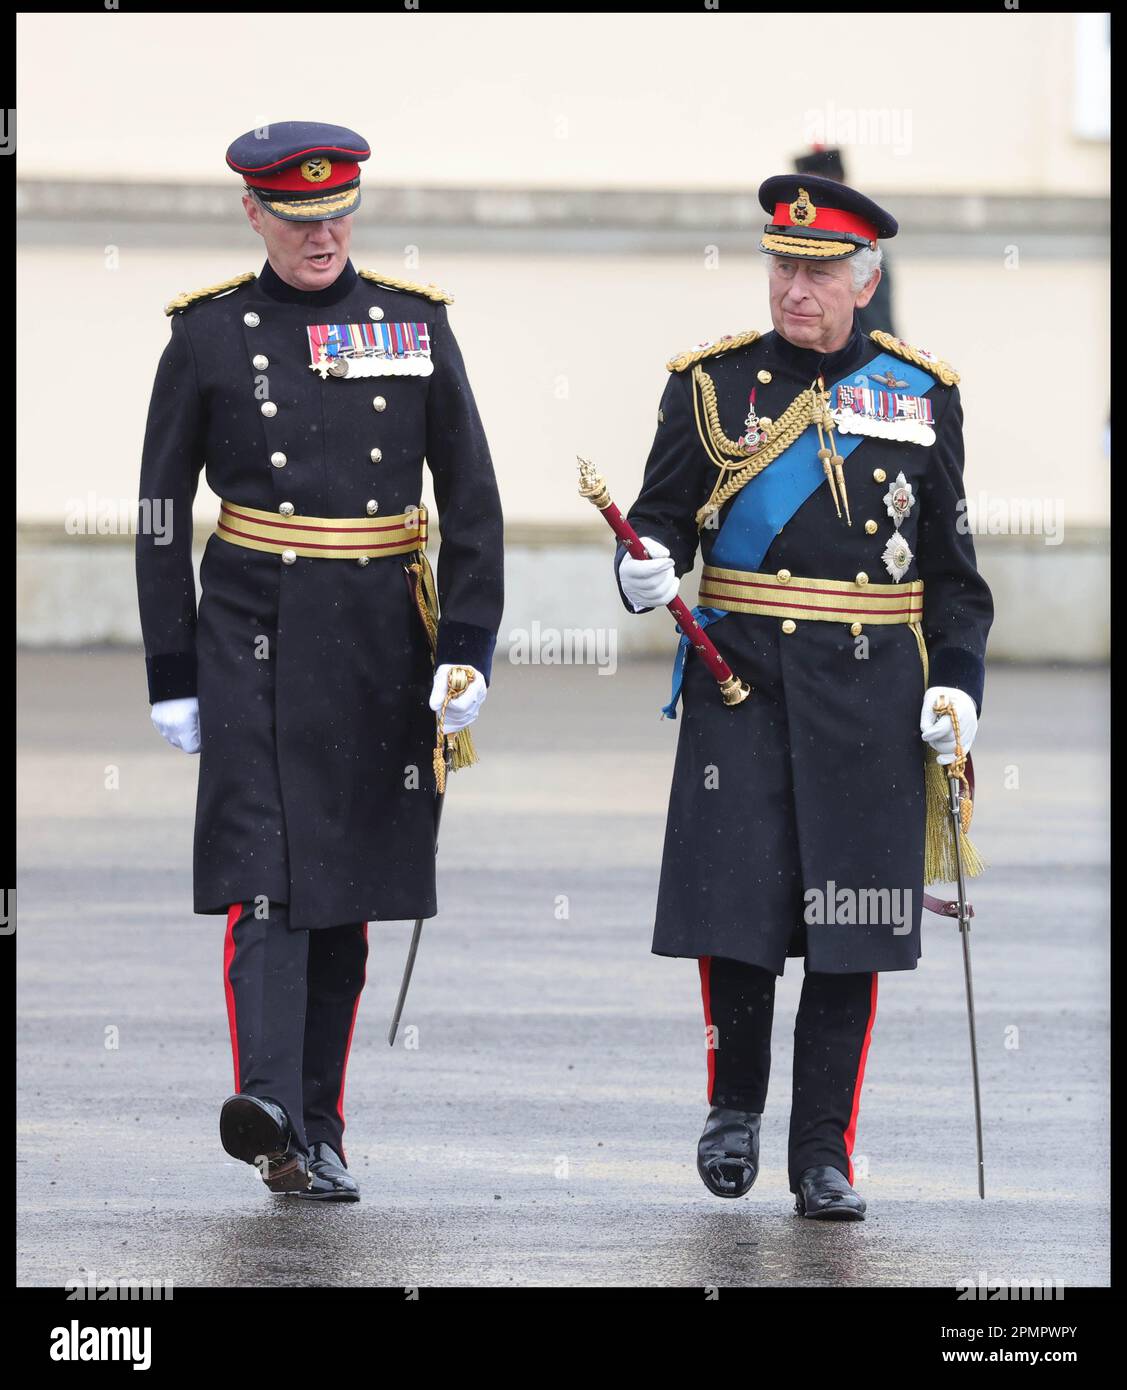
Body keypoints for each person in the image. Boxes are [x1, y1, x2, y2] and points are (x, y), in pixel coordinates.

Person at [136, 121, 504, 1200]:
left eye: (336, 214)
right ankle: (268, 1110)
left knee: (344, 888)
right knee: (266, 875)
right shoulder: (207, 335)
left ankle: (321, 1124)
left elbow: (471, 502)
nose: (321, 235)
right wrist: (171, 667)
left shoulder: (413, 323)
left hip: (383, 634)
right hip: (252, 624)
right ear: (255, 214)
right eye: (298, 218)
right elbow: (162, 512)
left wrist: (468, 647)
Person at [613, 173, 992, 1219]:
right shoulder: (710, 386)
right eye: (784, 267)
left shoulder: (919, 397)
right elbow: (658, 524)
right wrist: (643, 568)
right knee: (735, 910)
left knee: (850, 926)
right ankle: (731, 1108)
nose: (796, 290)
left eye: (819, 272)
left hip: (870, 700)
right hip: (742, 685)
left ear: (864, 281)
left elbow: (954, 578)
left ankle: (820, 1153)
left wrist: (956, 685)